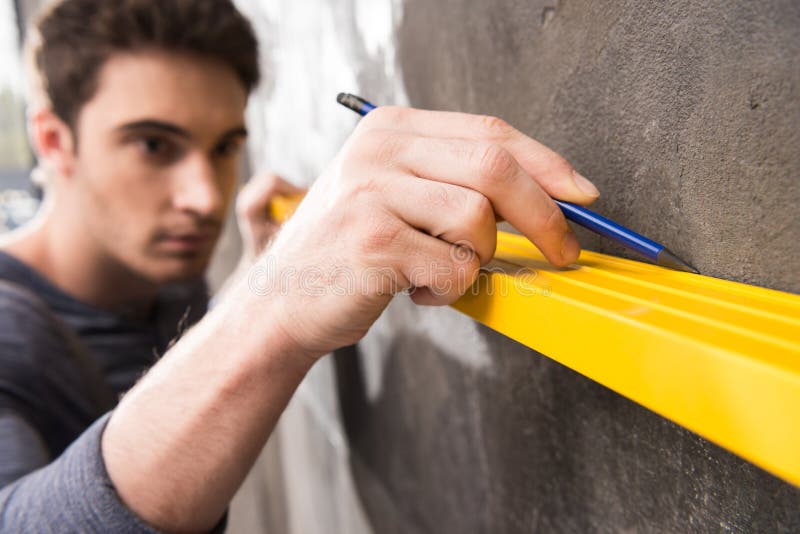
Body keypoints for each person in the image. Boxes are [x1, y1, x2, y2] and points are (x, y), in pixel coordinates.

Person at [0, 0, 600, 531]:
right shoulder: (11, 329)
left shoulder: (157, 282)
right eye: (154, 145)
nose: (205, 197)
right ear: (54, 142)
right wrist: (275, 300)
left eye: (224, 148)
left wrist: (249, 285)